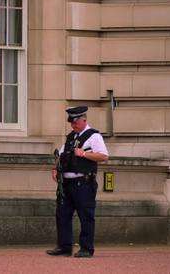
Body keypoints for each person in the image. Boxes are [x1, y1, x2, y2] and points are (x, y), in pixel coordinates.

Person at [46, 106, 109, 258]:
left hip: (84, 183)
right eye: (71, 123)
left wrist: (85, 154)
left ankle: (86, 248)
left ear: (83, 120)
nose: (73, 126)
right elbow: (61, 155)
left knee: (85, 216)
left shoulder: (94, 136)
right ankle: (64, 247)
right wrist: (55, 168)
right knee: (62, 215)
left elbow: (103, 156)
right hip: (66, 184)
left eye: (75, 123)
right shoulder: (70, 137)